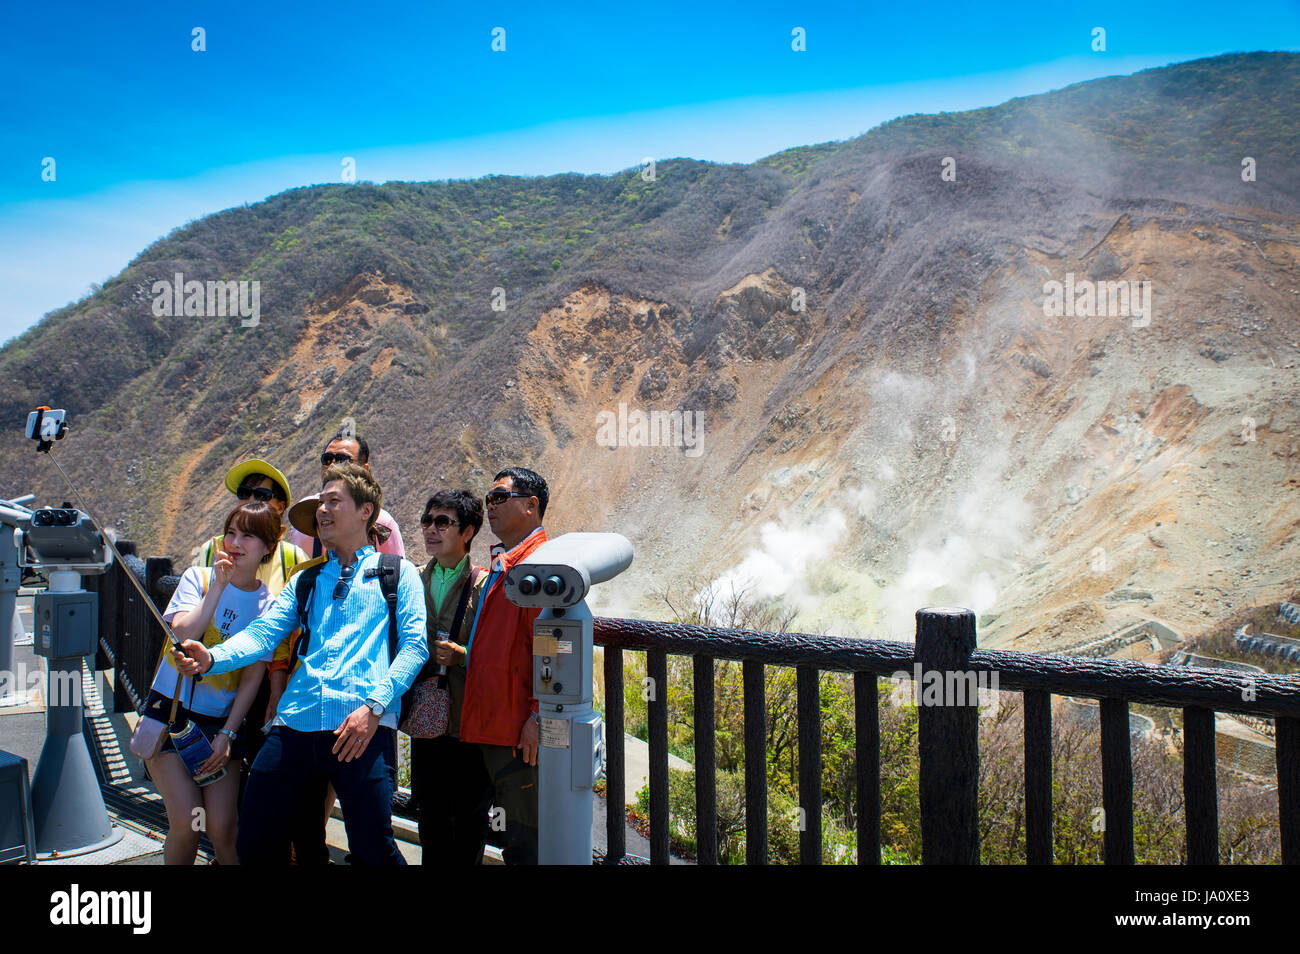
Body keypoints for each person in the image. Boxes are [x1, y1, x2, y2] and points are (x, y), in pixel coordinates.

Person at [173, 463, 428, 865]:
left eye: (333, 501)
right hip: (293, 725)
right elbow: (263, 635)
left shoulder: (398, 574)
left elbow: (414, 648)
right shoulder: (305, 580)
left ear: (366, 511)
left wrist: (374, 707)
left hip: (360, 730)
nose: (322, 511)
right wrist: (212, 657)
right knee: (256, 840)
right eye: (319, 504)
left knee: (372, 849)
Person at [147, 501, 282, 865]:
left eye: (249, 536)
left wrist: (228, 734)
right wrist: (217, 589)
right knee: (188, 823)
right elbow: (181, 632)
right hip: (171, 717)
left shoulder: (270, 605)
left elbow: (254, 675)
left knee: (223, 826)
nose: (236, 542)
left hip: (218, 726)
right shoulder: (199, 578)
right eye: (231, 532)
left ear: (269, 546)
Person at [459, 467, 550, 865]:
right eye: (488, 499)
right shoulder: (508, 561)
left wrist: (538, 716)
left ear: (531, 506)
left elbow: (552, 648)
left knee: (524, 840)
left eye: (499, 498)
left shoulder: (542, 566)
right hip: (492, 723)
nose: (489, 507)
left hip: (516, 732)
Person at [192, 459, 308, 755]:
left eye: (263, 496)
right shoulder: (213, 549)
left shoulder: (294, 557)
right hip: (213, 674)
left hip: (268, 676)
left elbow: (291, 625)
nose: (251, 500)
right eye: (245, 493)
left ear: (280, 506)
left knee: (257, 758)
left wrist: (278, 681)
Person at [409, 490, 492, 865]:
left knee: (469, 820)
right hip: (426, 721)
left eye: (443, 522)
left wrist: (465, 657)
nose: (432, 529)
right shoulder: (410, 581)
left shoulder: (487, 587)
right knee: (431, 817)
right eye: (428, 520)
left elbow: (503, 657)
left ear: (469, 530)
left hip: (469, 725)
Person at [287, 431, 405, 559]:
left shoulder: (383, 523)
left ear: (364, 469)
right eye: (327, 459)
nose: (332, 465)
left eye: (342, 460)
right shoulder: (305, 514)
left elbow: (396, 571)